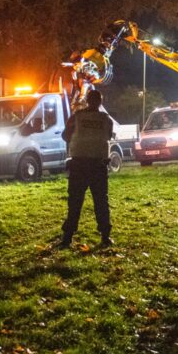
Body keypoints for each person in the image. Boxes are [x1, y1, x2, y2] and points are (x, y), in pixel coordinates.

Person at [59, 89, 114, 248]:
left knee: (75, 202)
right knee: (101, 202)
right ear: (100, 102)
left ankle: (67, 237)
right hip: (98, 165)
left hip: (79, 164)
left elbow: (65, 136)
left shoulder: (76, 117)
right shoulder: (106, 119)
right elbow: (108, 136)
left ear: (87, 101)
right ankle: (105, 236)